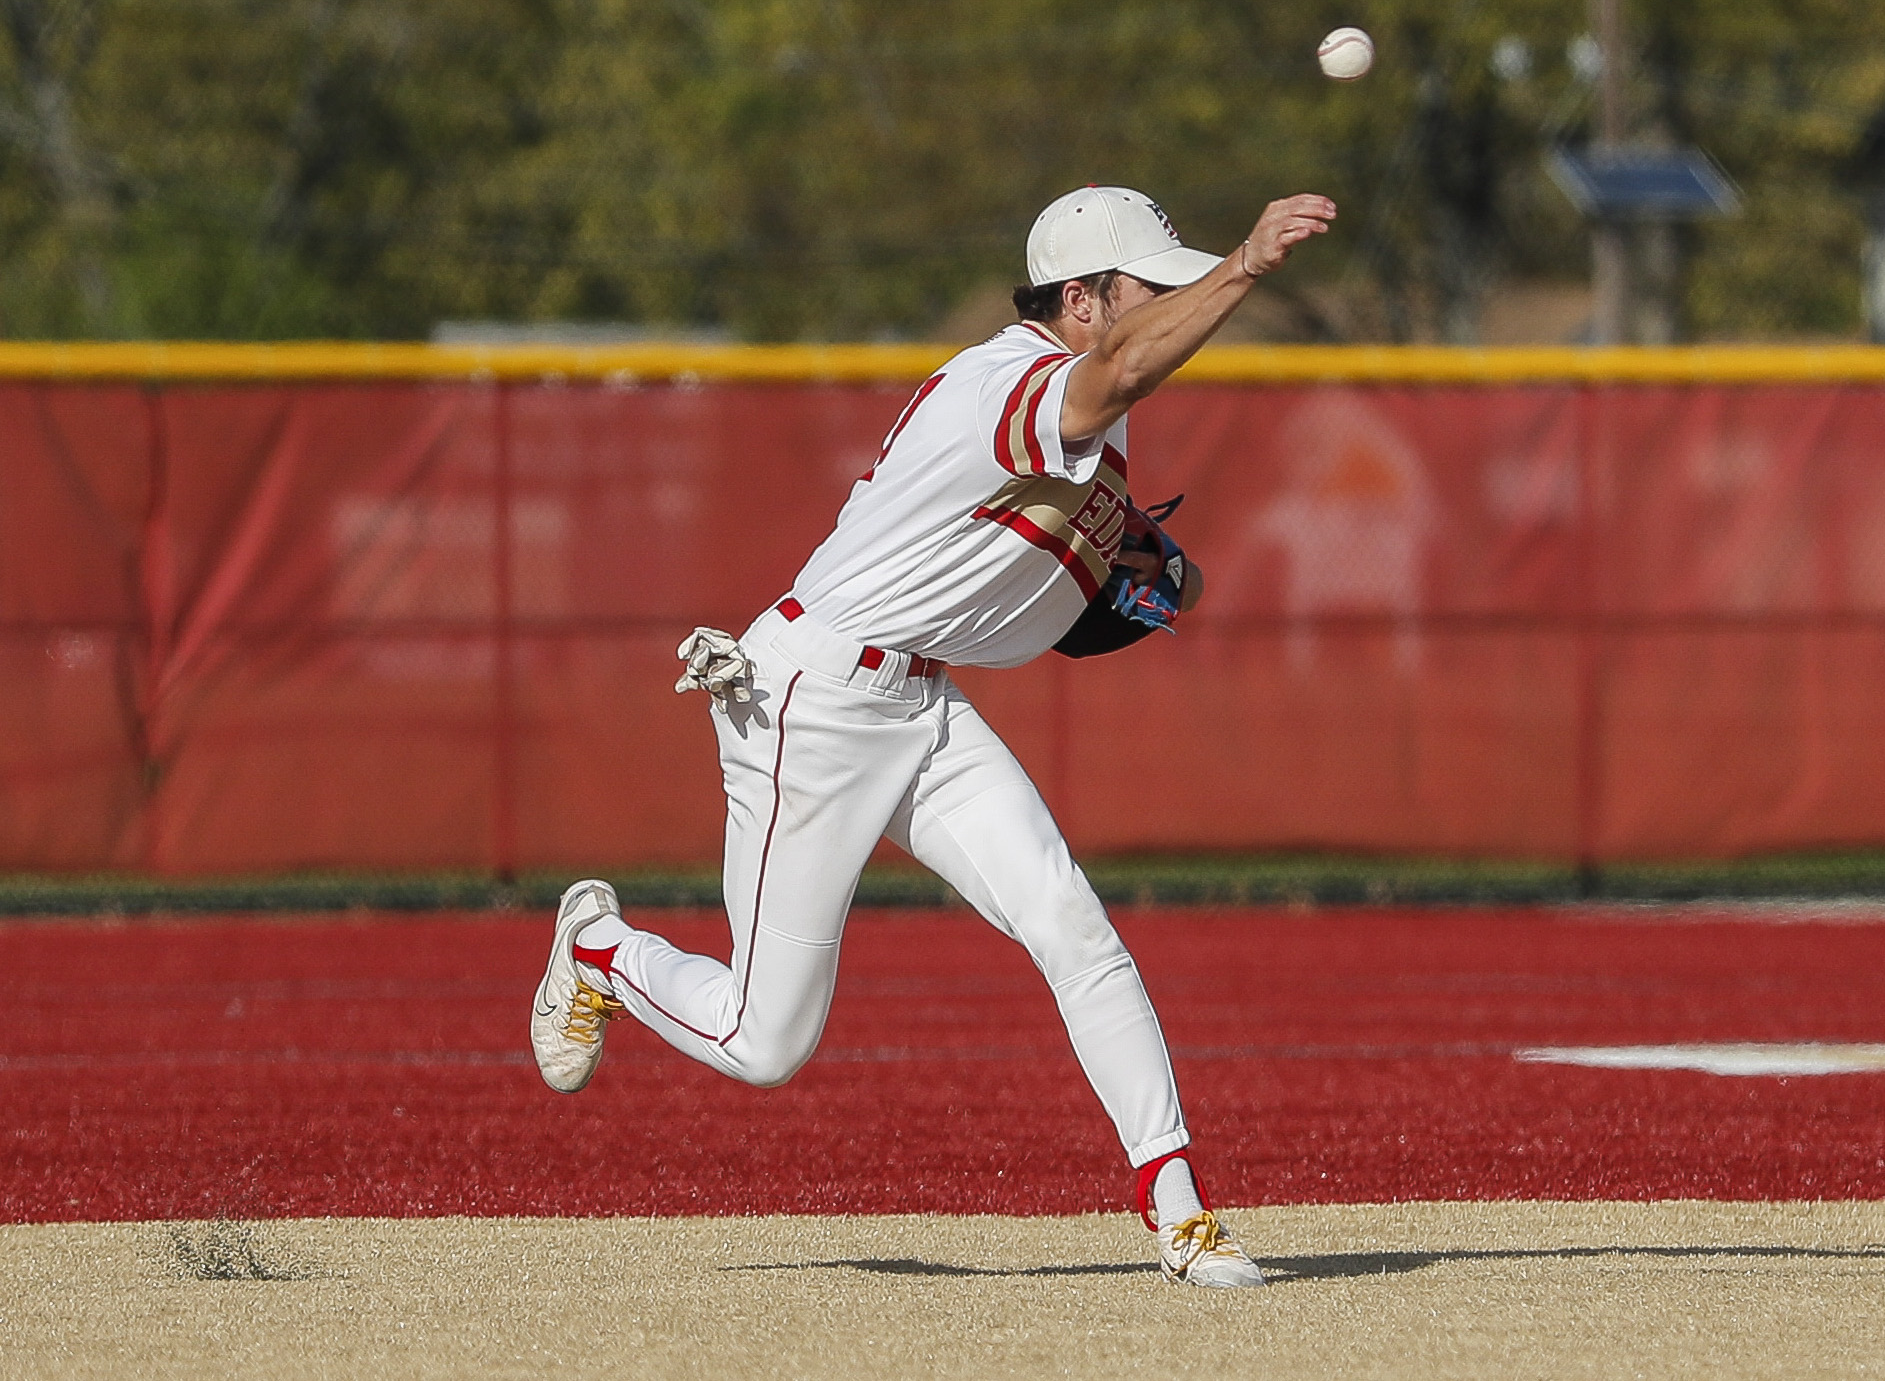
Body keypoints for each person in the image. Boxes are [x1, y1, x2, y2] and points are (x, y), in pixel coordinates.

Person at [531, 185, 1336, 1287]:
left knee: (1072, 922)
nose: (1171, 301)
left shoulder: (1082, 401)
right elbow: (1112, 380)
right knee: (764, 1043)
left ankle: (1180, 1210)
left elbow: (1083, 561)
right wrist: (1240, 265)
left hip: (920, 703)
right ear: (1083, 299)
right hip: (806, 702)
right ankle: (600, 948)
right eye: (1152, 285)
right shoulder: (1003, 379)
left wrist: (1152, 565)